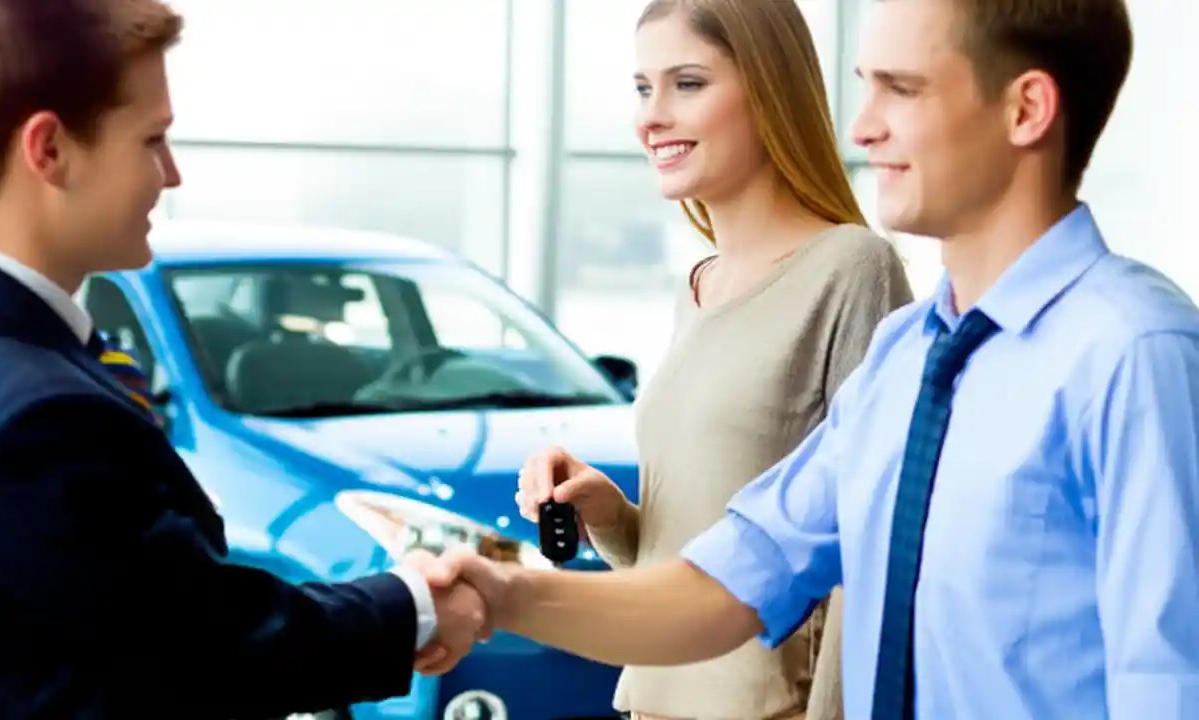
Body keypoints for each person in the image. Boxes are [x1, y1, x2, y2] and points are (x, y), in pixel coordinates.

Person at [423, 0, 1199, 718]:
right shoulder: (906, 358)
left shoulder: (1135, 352)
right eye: (866, 88)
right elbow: (723, 589)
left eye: (902, 89)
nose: (861, 129)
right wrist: (502, 595)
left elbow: (1170, 680)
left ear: (1025, 108)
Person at [0, 1, 482, 717]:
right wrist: (414, 607)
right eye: (152, 139)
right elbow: (201, 649)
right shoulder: (41, 417)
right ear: (49, 149)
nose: (172, 174)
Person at [515, 1, 912, 719]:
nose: (651, 116)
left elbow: (873, 549)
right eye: (643, 88)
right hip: (657, 698)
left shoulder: (853, 269)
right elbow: (693, 562)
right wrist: (610, 515)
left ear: (769, 89)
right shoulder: (697, 289)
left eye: (687, 83)